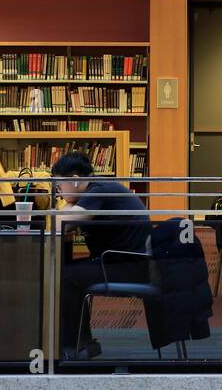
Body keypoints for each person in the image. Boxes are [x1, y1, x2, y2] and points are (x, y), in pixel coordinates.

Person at [52, 151, 152, 359]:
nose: (58, 192)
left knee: (67, 277)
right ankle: (83, 342)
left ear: (76, 181)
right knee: (69, 273)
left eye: (60, 186)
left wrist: (68, 204)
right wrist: (70, 201)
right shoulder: (97, 189)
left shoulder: (99, 191)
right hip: (121, 260)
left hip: (127, 265)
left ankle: (71, 347)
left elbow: (59, 223)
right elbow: (64, 219)